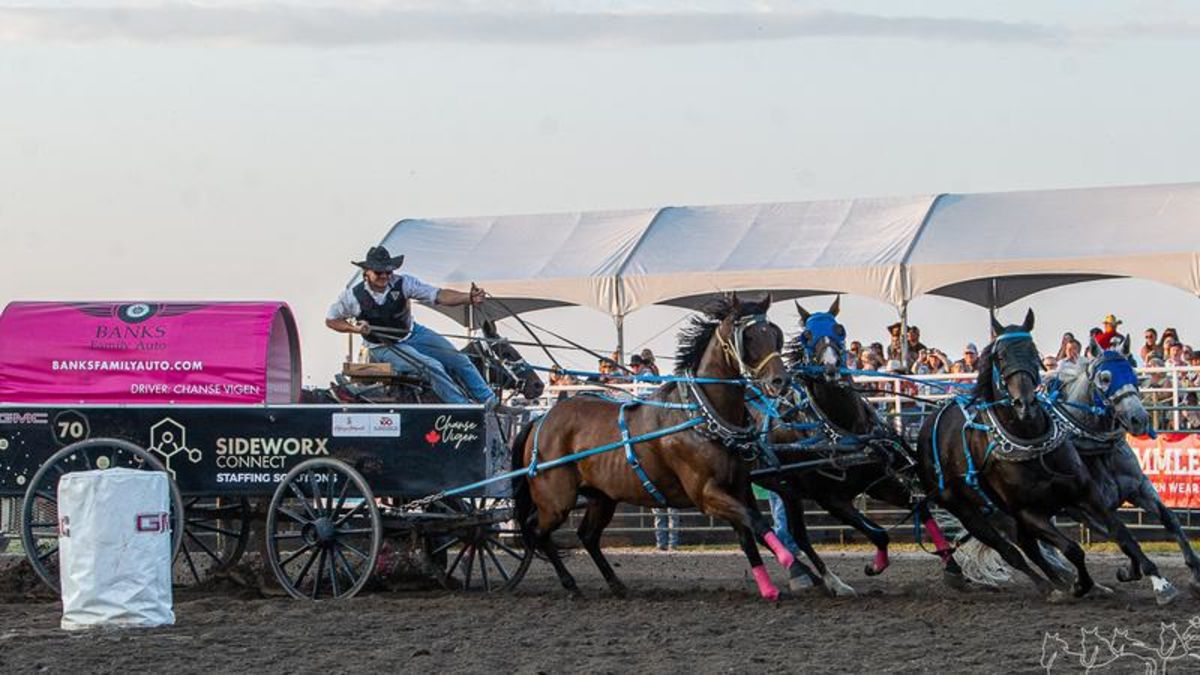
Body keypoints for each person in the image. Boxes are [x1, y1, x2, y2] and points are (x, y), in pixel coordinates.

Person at [326, 245, 497, 406]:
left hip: (414, 333)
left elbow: (437, 295)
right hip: (383, 346)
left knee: (459, 359)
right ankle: (462, 407)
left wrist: (468, 298)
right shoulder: (352, 297)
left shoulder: (404, 283)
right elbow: (332, 320)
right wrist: (354, 329)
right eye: (379, 272)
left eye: (388, 271)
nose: (385, 276)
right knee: (431, 366)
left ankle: (490, 401)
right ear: (366, 273)